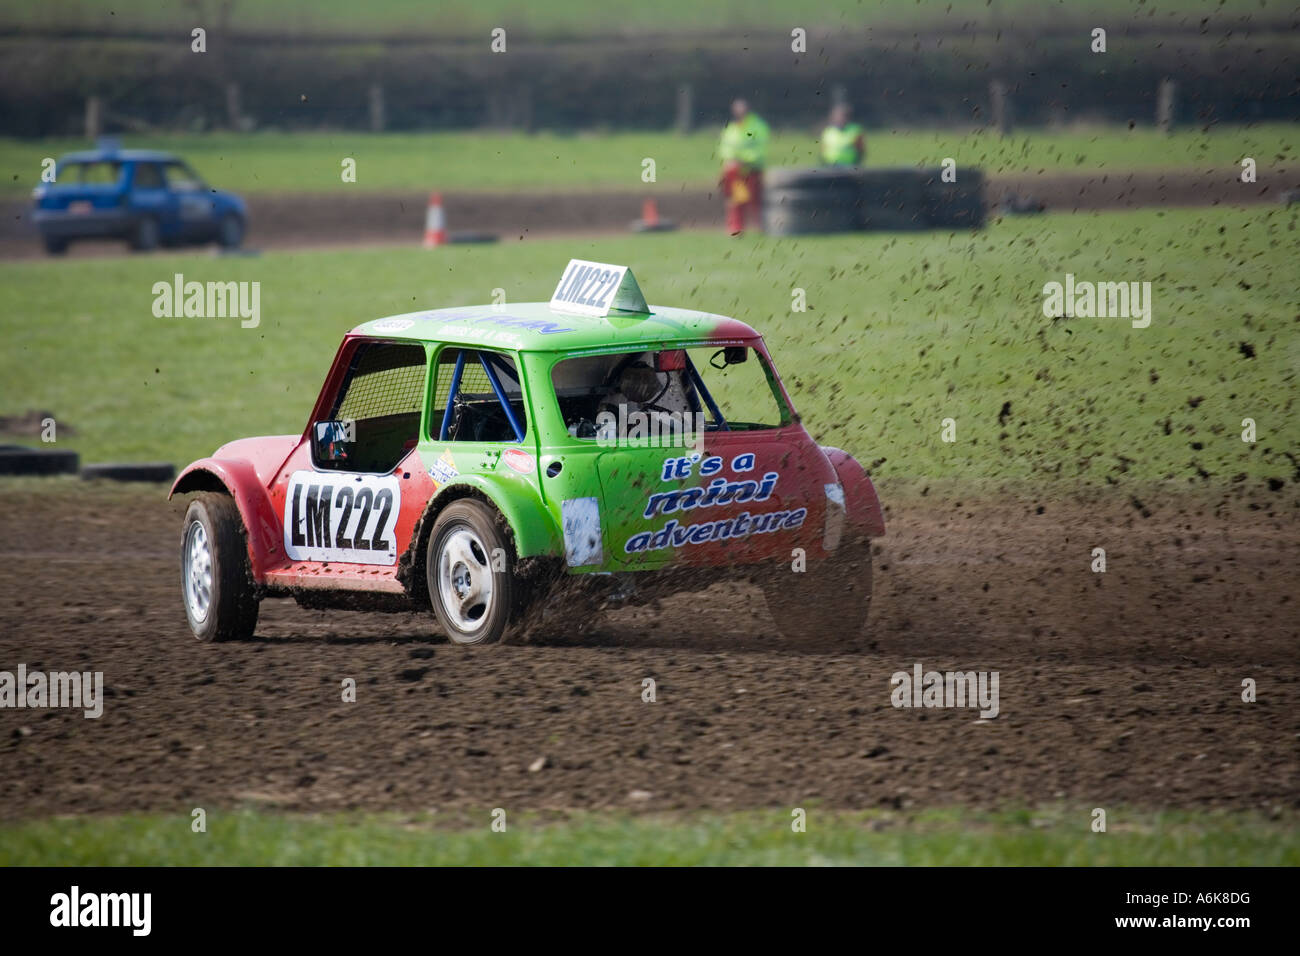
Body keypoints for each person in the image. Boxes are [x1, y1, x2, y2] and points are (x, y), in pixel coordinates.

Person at [718, 98, 770, 235]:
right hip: (737, 172)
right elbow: (724, 149)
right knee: (737, 200)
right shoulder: (732, 128)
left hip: (752, 170)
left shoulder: (757, 126)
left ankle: (762, 227)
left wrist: (745, 160)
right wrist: (731, 162)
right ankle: (737, 229)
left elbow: (760, 148)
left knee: (756, 200)